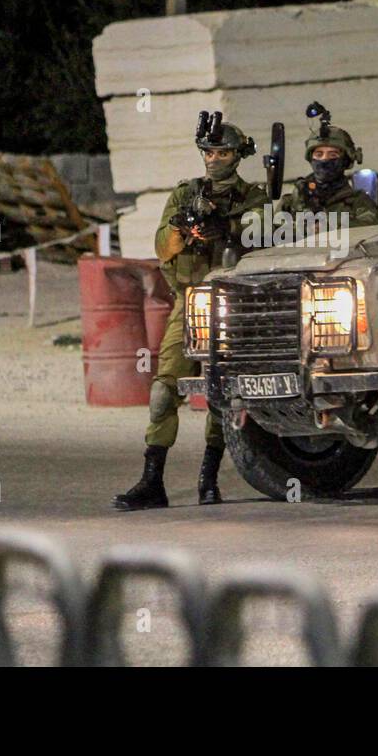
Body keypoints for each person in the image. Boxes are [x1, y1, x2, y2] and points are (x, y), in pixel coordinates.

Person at [112, 114, 268, 511]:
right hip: (189, 300)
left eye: (223, 153)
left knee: (220, 391)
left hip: (232, 302)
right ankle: (152, 480)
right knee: (164, 389)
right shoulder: (185, 194)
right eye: (209, 153)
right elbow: (162, 248)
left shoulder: (253, 198)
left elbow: (264, 240)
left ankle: (209, 479)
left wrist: (227, 231)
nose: (214, 160)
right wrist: (182, 229)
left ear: (237, 156)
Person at [276, 103, 378, 229]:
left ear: (345, 160)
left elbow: (373, 226)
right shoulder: (291, 203)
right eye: (319, 154)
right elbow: (272, 232)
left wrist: (328, 228)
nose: (325, 159)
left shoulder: (358, 202)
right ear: (311, 159)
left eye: (333, 155)